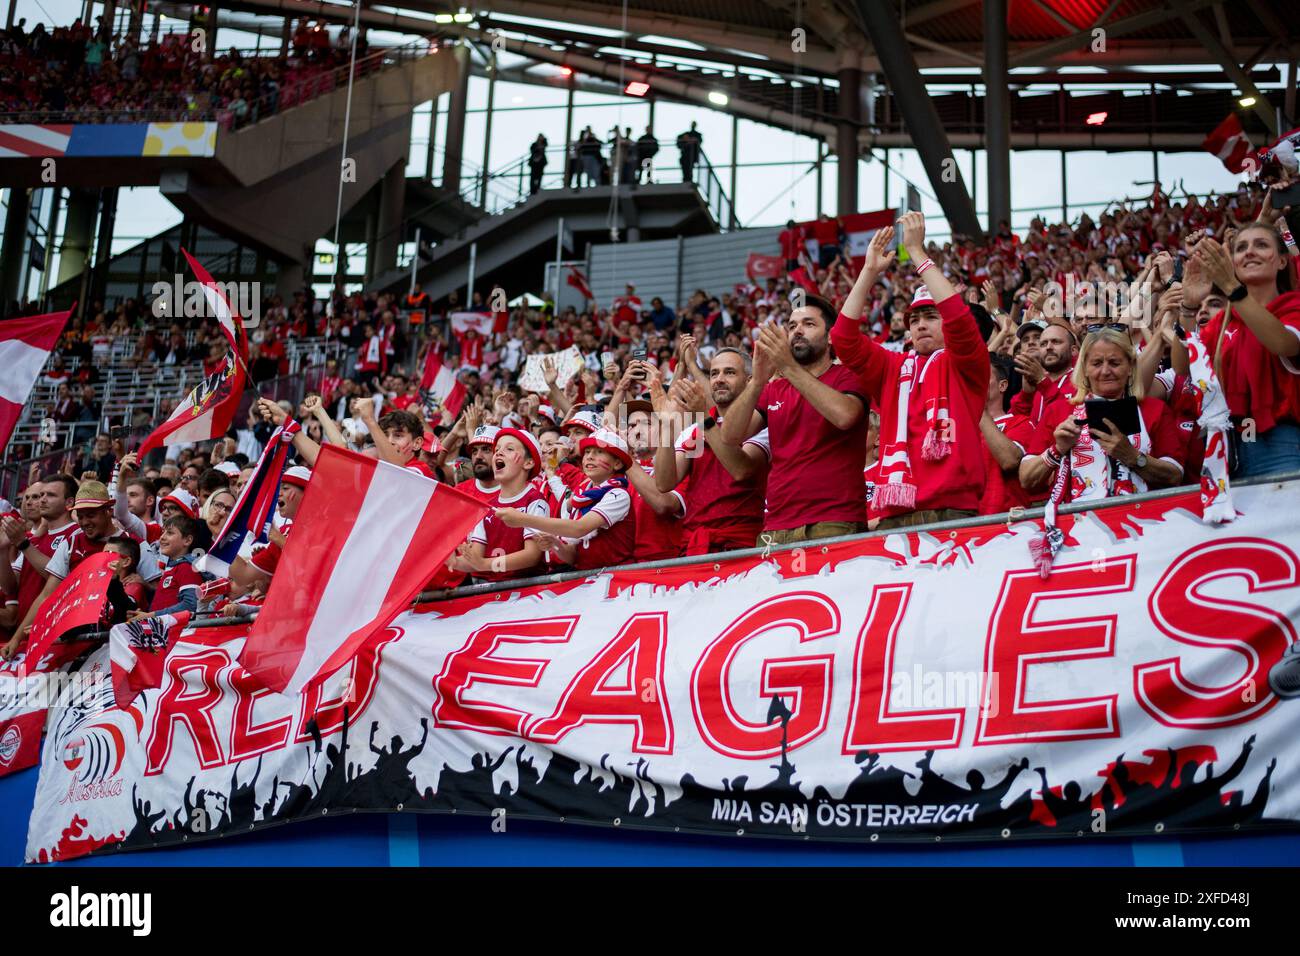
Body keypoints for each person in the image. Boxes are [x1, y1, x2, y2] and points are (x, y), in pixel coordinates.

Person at [831, 215, 990, 530]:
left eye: (931, 316)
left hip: (953, 510)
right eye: (914, 319)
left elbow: (959, 318)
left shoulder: (966, 360)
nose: (920, 324)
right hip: (895, 513)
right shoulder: (892, 366)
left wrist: (917, 253)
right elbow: (843, 339)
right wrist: (868, 272)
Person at [720, 290, 870, 547]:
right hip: (776, 526)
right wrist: (757, 382)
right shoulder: (774, 389)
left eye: (809, 324)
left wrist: (787, 366)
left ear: (831, 337)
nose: (797, 331)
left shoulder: (849, 375)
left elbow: (845, 416)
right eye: (792, 326)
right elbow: (731, 436)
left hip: (834, 521)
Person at [1187, 221, 1300, 477]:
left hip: (1282, 439)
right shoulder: (1224, 321)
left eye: (1261, 245)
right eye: (1241, 248)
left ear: (1282, 262)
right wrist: (1188, 305)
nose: (1249, 252)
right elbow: (1185, 366)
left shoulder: (1294, 306)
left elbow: (1283, 343)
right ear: (1234, 264)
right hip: (1239, 438)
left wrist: (1233, 290)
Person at [1019, 327, 1185, 500]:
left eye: (1114, 363)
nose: (1105, 371)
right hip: (1079, 523)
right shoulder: (1059, 410)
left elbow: (1175, 476)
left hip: (1141, 522)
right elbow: (1026, 479)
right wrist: (1058, 449)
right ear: (1085, 369)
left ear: (1130, 367)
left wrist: (1133, 457)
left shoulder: (1154, 409)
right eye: (1097, 363)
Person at [652, 348, 769, 555]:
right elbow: (664, 482)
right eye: (714, 373)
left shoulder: (761, 423)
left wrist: (704, 418)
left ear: (749, 380)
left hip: (741, 545)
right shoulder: (694, 430)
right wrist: (667, 425)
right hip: (695, 545)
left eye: (730, 372)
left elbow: (741, 470)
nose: (719, 379)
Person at [497, 429, 636, 570]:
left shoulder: (618, 495)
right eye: (587, 452)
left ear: (617, 464)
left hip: (617, 581)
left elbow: (579, 528)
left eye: (599, 452)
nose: (590, 457)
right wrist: (556, 544)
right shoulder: (580, 495)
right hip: (588, 581)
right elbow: (573, 556)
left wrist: (522, 519)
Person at [451, 428, 549, 583]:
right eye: (497, 450)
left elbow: (532, 556)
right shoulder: (488, 507)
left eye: (509, 449)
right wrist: (454, 562)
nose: (499, 453)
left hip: (528, 592)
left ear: (529, 463)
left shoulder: (535, 500)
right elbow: (477, 559)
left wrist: (486, 564)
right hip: (495, 596)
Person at [0, 475, 79, 660]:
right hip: (22, 638)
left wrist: (23, 544)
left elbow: (59, 580)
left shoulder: (75, 534)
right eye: (41, 495)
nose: (42, 499)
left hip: (50, 639)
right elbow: (11, 587)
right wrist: (3, 552)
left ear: (69, 502)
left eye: (50, 495)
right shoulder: (34, 539)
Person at [132, 515, 202, 619]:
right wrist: (143, 615)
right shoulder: (174, 568)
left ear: (187, 540)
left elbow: (190, 605)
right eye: (162, 532)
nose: (162, 537)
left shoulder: (187, 568)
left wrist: (151, 616)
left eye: (169, 533)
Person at [1011, 321, 1078, 425]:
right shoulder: (1037, 386)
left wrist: (1042, 381)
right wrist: (1026, 395)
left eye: (1056, 342)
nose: (1048, 347)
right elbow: (1020, 423)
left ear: (1073, 350)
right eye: (1043, 344)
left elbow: (1065, 418)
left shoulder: (1081, 379)